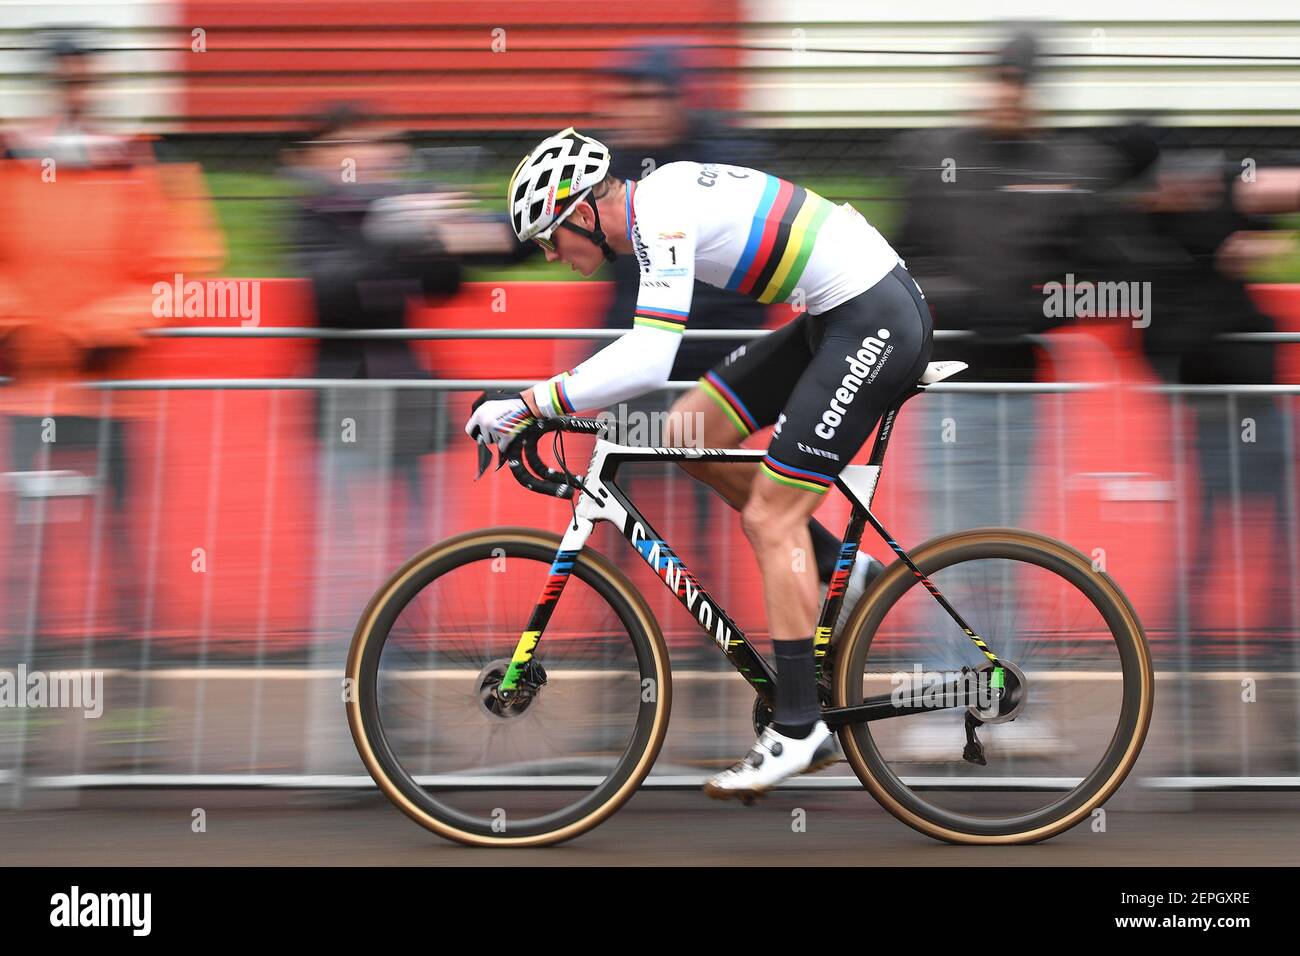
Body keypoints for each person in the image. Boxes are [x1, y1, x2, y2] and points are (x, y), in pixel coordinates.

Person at [465, 128, 934, 799]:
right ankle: (841, 568)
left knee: (772, 519)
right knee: (686, 430)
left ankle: (800, 728)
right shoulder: (652, 209)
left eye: (551, 237)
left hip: (873, 320)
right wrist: (539, 404)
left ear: (583, 213)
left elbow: (649, 357)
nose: (550, 255)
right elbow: (649, 359)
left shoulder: (659, 212)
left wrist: (529, 403)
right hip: (836, 318)